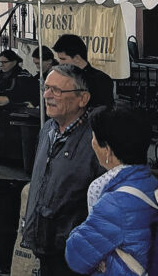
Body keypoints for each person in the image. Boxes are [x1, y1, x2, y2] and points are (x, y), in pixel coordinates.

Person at [22, 64, 105, 275]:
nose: (47, 95)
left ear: (82, 99)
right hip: (43, 245)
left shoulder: (96, 140)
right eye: (46, 88)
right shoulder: (48, 129)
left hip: (73, 254)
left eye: (56, 90)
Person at [65, 106, 158, 275]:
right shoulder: (150, 183)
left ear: (107, 149)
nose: (91, 142)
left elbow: (76, 255)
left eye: (93, 137)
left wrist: (103, 259)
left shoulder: (115, 203)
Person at [53, 34, 114, 110]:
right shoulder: (64, 77)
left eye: (63, 59)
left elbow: (103, 112)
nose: (60, 63)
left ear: (77, 58)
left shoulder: (101, 80)